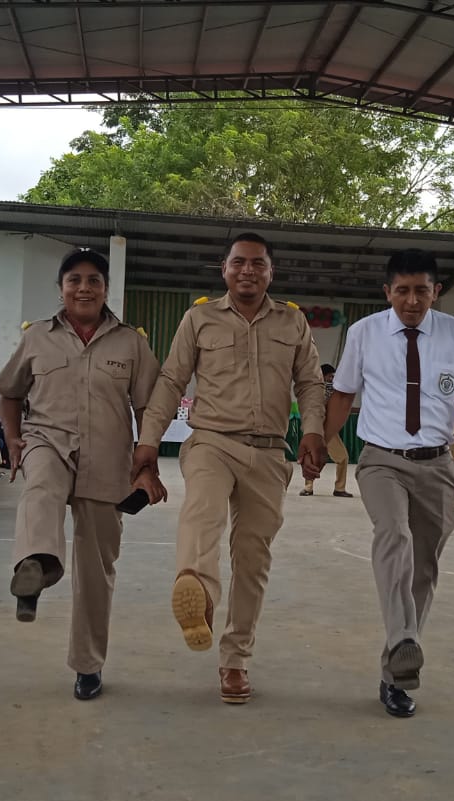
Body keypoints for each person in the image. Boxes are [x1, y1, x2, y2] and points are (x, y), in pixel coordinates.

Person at [131, 232, 326, 705]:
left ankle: (235, 659)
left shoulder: (293, 321)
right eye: (239, 262)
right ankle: (196, 590)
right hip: (212, 441)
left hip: (270, 450)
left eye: (258, 264)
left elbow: (310, 381)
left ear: (270, 272)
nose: (248, 271)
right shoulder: (199, 317)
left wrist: (316, 432)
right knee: (202, 511)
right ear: (224, 269)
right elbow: (172, 379)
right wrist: (147, 442)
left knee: (252, 558)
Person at [323, 249, 454, 718]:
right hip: (380, 460)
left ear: (435, 291)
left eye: (421, 290)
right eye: (402, 291)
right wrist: (318, 444)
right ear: (387, 292)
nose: (412, 300)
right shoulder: (364, 333)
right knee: (393, 535)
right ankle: (403, 638)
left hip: (437, 464)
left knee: (424, 567)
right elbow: (343, 393)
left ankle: (395, 674)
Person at [0, 248, 161, 701]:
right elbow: (8, 393)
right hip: (47, 440)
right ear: (61, 287)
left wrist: (148, 465)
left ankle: (87, 665)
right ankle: (35, 567)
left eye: (93, 280)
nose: (83, 288)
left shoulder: (131, 343)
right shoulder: (37, 338)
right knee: (41, 490)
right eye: (74, 280)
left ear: (107, 289)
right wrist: (12, 439)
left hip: (109, 459)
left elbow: (149, 406)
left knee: (96, 568)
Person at [299, 363, 353, 498]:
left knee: (337, 457)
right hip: (319, 428)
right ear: (323, 376)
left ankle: (314, 487)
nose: (331, 379)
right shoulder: (319, 389)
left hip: (325, 428)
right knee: (316, 457)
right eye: (330, 376)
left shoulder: (326, 389)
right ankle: (311, 487)